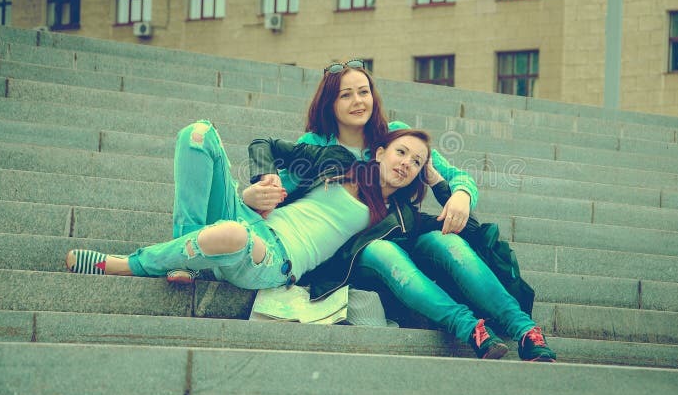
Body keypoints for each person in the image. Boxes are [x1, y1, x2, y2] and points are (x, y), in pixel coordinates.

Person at [248, 60, 554, 362]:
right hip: (351, 252)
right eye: (346, 95)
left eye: (364, 92)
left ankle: (526, 331)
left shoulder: (394, 134)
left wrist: (461, 194)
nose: (358, 101)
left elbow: (455, 175)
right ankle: (470, 328)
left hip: (400, 229)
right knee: (383, 252)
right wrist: (258, 191)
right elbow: (278, 190)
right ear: (330, 103)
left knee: (448, 242)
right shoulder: (315, 145)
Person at [64, 128, 431, 297]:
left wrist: (447, 186)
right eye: (402, 152)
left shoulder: (396, 216)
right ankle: (187, 254)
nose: (407, 163)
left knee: (234, 236)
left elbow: (458, 227)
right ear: (381, 151)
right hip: (251, 216)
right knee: (198, 134)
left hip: (276, 258)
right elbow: (266, 144)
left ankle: (128, 264)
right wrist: (263, 178)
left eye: (417, 163)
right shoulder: (338, 162)